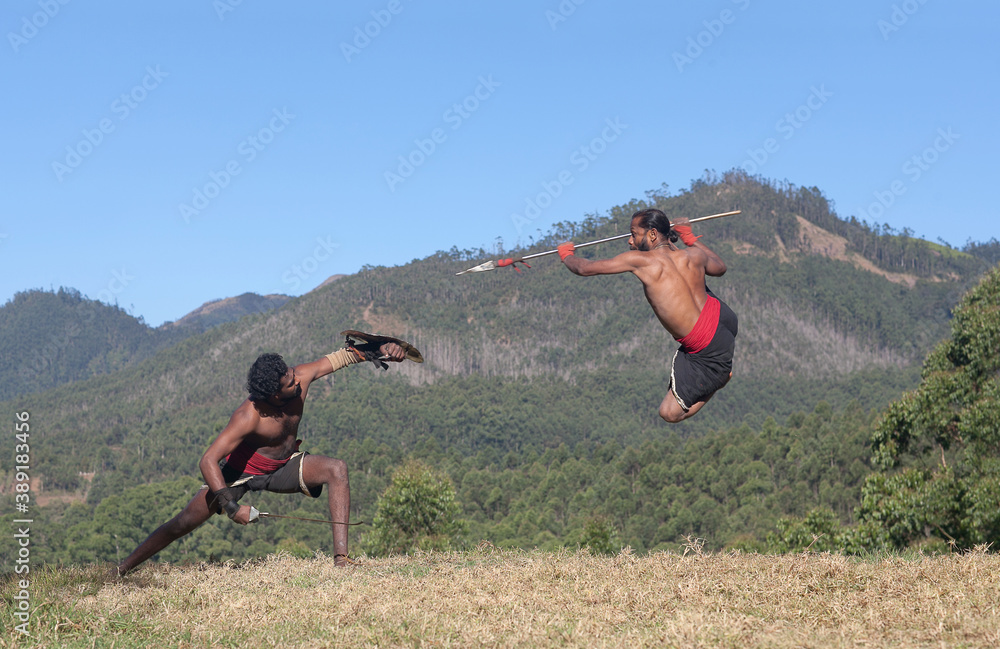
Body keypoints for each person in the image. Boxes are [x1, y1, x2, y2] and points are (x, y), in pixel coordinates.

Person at [117, 336, 410, 575]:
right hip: (240, 473)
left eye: (292, 374)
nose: (297, 382)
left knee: (337, 469)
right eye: (290, 384)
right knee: (182, 523)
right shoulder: (248, 416)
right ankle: (122, 569)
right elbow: (207, 460)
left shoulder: (299, 376)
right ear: (273, 396)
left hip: (284, 465)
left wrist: (382, 349)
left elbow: (342, 357)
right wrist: (232, 508)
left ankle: (342, 561)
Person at [557, 208, 738, 423]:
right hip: (723, 318)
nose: (630, 241)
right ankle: (716, 374)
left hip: (705, 345)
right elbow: (720, 268)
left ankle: (719, 379)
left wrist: (567, 256)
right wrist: (689, 238)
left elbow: (585, 269)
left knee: (669, 413)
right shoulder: (693, 254)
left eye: (634, 234)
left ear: (652, 234)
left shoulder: (641, 261)